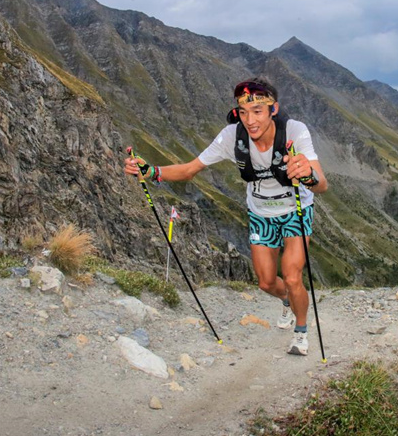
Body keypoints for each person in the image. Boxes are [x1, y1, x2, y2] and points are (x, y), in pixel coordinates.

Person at [124, 77, 328, 356]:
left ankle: (301, 332)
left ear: (273, 109)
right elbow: (189, 170)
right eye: (243, 113)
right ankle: (286, 301)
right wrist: (151, 172)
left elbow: (322, 184)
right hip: (260, 213)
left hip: (296, 209)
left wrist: (307, 175)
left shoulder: (294, 131)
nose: (250, 120)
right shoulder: (232, 136)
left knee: (292, 276)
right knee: (266, 282)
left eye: (257, 111)